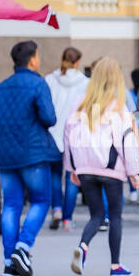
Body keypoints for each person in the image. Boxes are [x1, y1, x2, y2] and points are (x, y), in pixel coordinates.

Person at [63, 56, 139, 276]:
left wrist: (71, 168)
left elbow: (67, 135)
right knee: (115, 216)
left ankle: (83, 247)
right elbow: (126, 141)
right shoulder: (118, 107)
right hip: (110, 168)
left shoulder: (80, 103)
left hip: (85, 168)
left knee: (96, 216)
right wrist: (134, 172)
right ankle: (115, 265)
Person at [0, 40, 58, 276]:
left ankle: (9, 263)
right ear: (32, 59)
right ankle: (22, 246)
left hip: (4, 157)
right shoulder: (38, 84)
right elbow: (49, 118)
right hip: (33, 154)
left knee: (11, 205)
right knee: (41, 200)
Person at [45, 46, 89, 231]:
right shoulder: (86, 83)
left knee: (55, 175)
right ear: (78, 62)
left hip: (53, 134)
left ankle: (56, 209)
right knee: (73, 177)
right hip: (75, 135)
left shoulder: (49, 80)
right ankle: (67, 219)